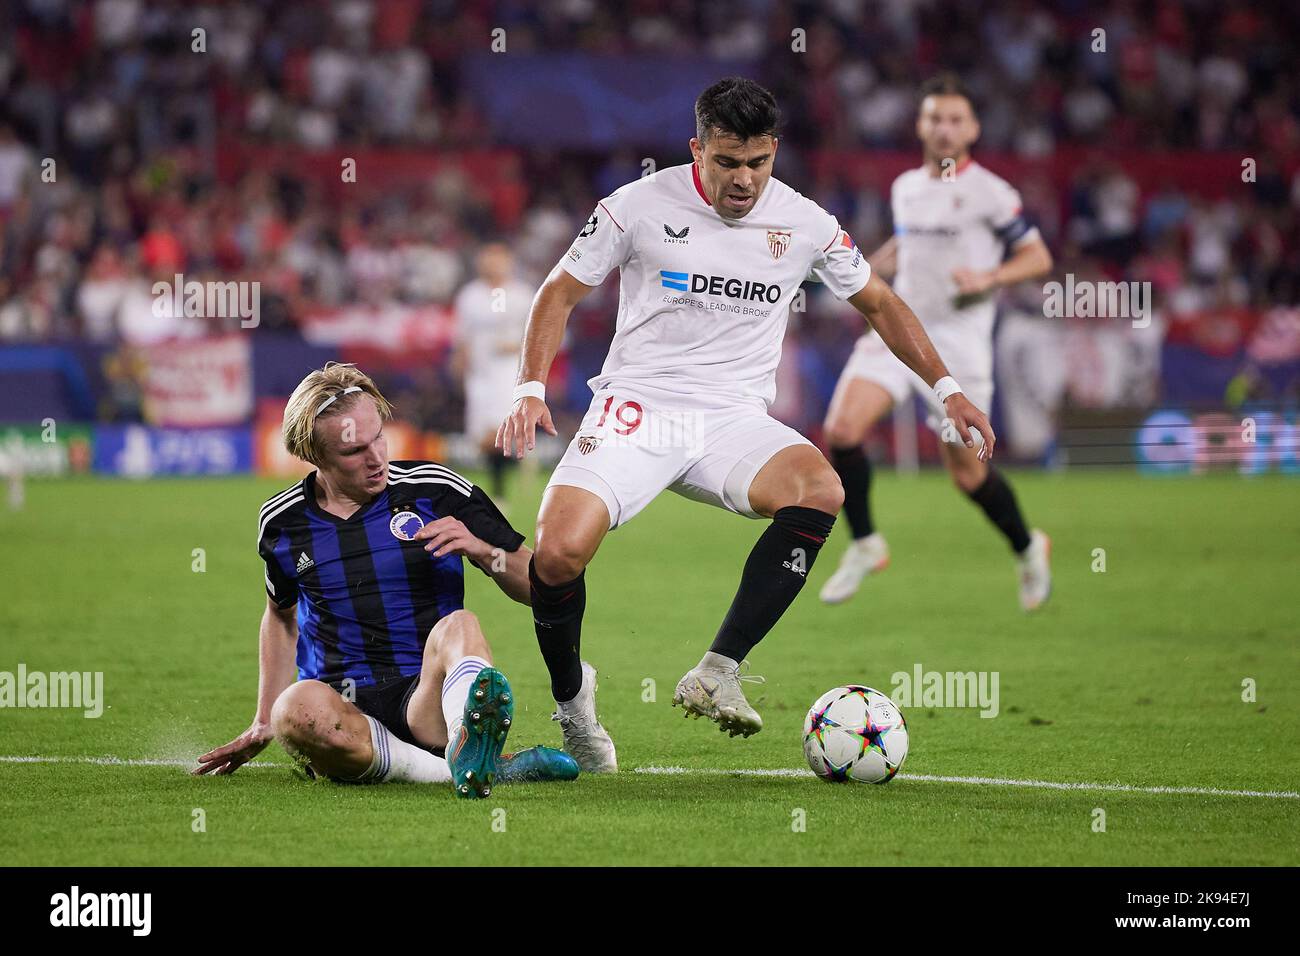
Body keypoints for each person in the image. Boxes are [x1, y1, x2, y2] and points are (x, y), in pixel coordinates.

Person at [497, 77, 996, 772]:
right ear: (697, 149)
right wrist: (528, 387)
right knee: (554, 556)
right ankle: (575, 702)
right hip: (638, 408)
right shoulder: (635, 207)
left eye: (757, 163)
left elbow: (880, 303)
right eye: (727, 162)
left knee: (821, 489)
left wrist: (948, 388)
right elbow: (559, 291)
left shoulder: (805, 223)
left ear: (774, 152)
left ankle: (718, 668)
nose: (743, 180)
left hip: (731, 418)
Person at [195, 362, 578, 798]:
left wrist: (482, 550)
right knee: (293, 711)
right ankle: (473, 765)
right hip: (341, 710)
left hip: (426, 700)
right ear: (316, 456)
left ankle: (459, 743)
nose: (377, 457)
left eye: (379, 436)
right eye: (354, 451)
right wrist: (264, 720)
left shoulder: (436, 489)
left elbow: (542, 589)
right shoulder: (283, 522)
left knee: (461, 626)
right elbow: (280, 617)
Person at [819, 73, 1055, 611]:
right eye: (934, 118)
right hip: (899, 329)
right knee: (842, 429)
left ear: (971, 128)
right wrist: (872, 268)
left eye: (955, 119)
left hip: (958, 345)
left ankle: (1026, 546)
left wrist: (988, 279)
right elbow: (911, 243)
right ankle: (865, 543)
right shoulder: (906, 187)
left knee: (968, 476)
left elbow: (1038, 258)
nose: (944, 129)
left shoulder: (991, 193)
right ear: (920, 125)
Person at [453, 243, 534, 500]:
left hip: (510, 372)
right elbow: (462, 334)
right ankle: (514, 469)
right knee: (482, 438)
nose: (492, 265)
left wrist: (521, 347)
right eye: (488, 259)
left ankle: (499, 492)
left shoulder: (523, 294)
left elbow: (539, 331)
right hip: (480, 373)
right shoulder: (470, 296)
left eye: (498, 259)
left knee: (498, 432)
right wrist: (461, 360)